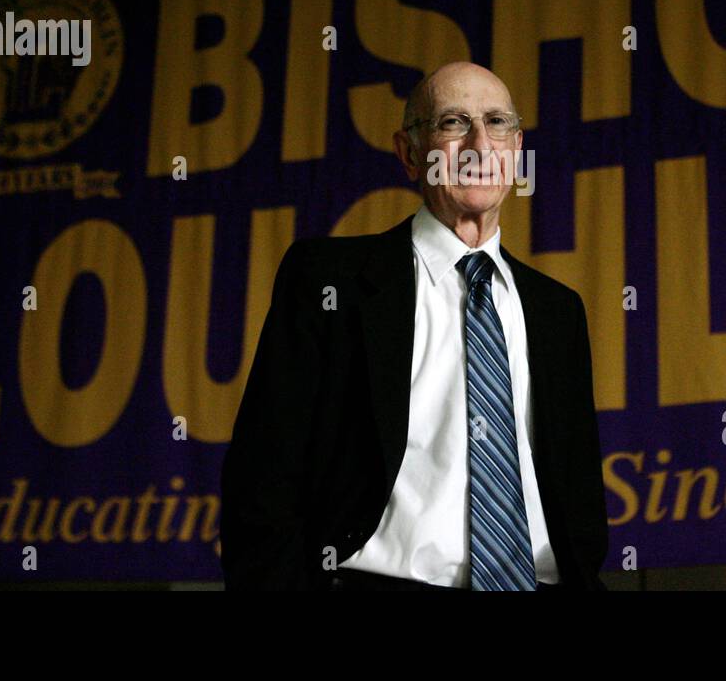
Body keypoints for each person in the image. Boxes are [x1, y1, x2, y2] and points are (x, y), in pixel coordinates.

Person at [220, 61, 608, 590]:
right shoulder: (329, 281)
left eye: (497, 123)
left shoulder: (558, 311)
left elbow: (579, 497)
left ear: (517, 152)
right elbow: (262, 482)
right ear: (409, 153)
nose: (479, 144)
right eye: (453, 123)